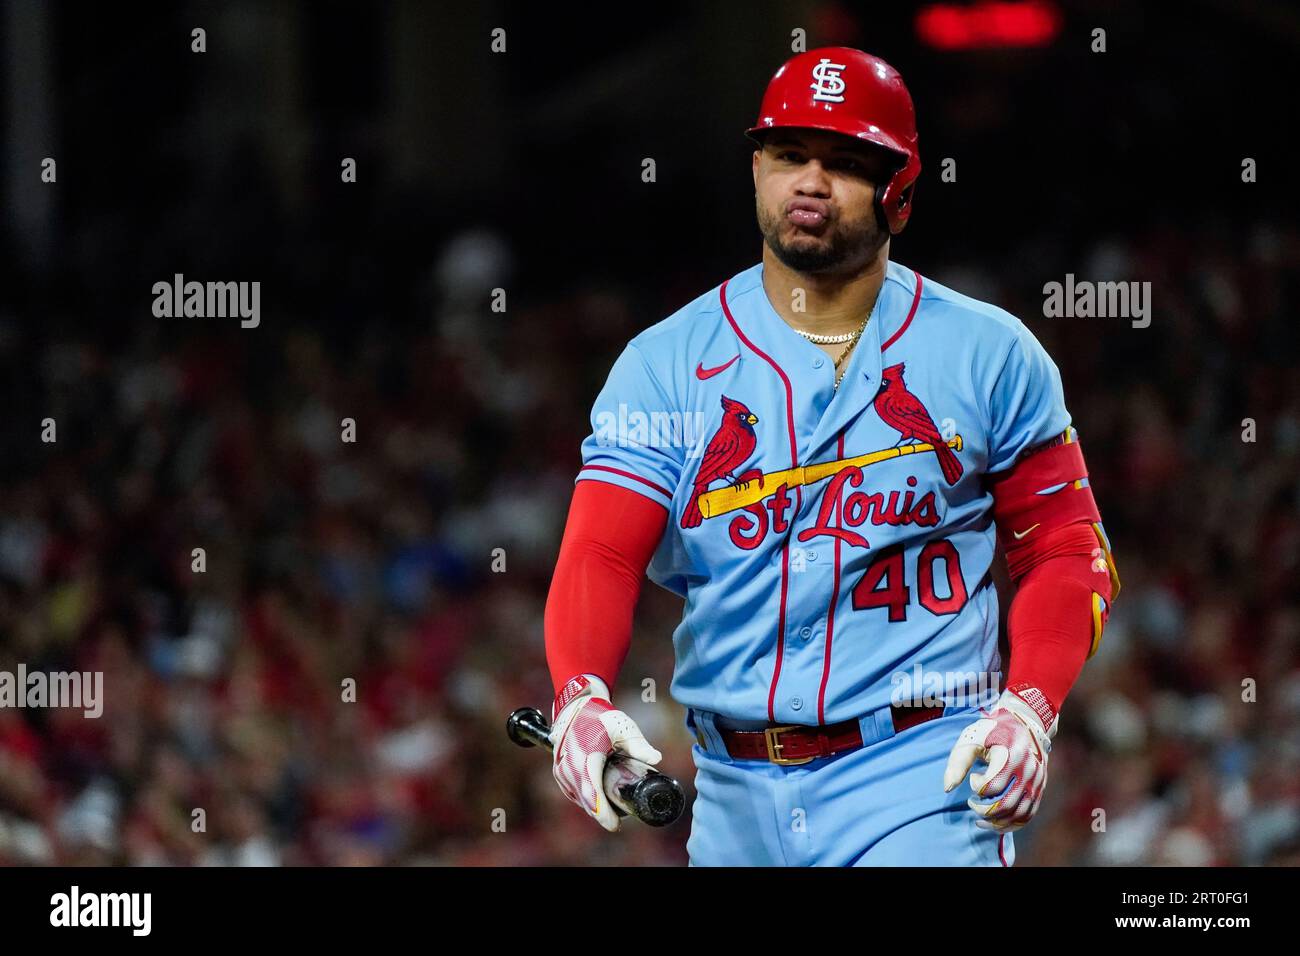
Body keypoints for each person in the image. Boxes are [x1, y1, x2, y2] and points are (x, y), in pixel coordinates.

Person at [543, 47, 1120, 865]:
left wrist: (1031, 705)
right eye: (788, 156)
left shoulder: (991, 354)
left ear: (901, 190)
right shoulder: (663, 362)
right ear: (755, 168)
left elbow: (1064, 545)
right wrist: (580, 696)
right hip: (732, 794)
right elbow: (601, 549)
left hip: (925, 773)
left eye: (845, 163)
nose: (809, 182)